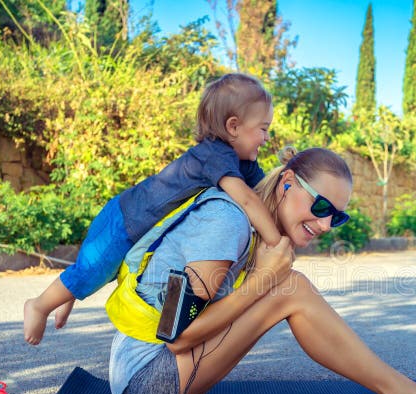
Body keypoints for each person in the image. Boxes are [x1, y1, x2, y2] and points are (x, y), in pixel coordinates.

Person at [108, 146, 416, 394]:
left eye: (338, 215)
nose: (328, 224)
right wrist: (263, 280)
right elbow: (176, 336)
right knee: (292, 288)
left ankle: (399, 393)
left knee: (288, 285)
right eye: (321, 205)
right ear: (286, 183)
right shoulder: (227, 220)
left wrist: (266, 278)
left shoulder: (254, 230)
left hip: (155, 371)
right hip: (145, 381)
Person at [23, 73, 281, 345]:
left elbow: (264, 195)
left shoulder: (242, 163)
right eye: (263, 129)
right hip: (126, 220)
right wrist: (276, 243)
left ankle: (71, 291)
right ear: (233, 127)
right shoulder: (214, 155)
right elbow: (248, 201)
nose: (266, 138)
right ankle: (39, 305)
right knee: (92, 271)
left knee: (91, 271)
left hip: (134, 221)